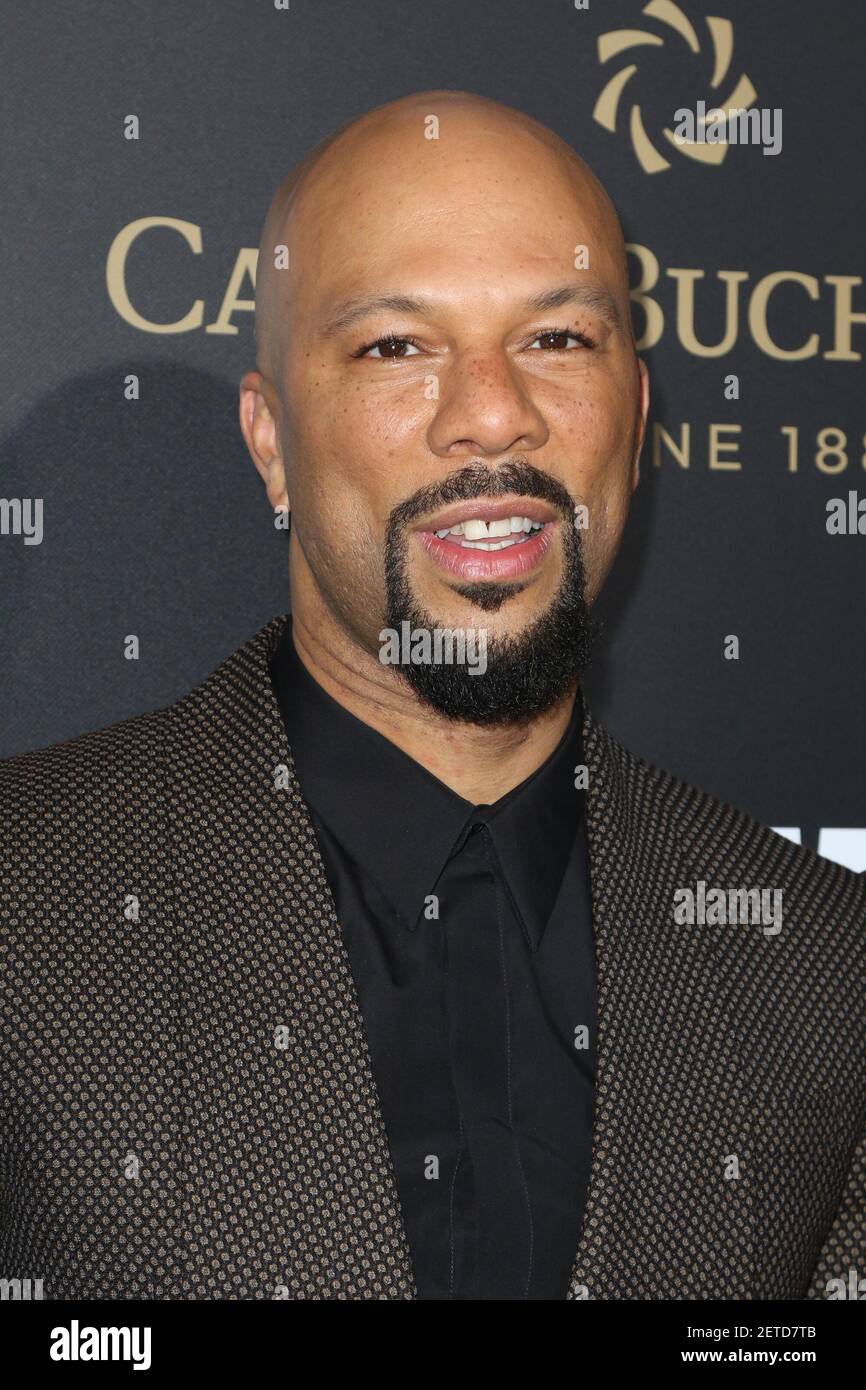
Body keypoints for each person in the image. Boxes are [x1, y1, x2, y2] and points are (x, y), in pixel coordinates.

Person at [1, 90, 863, 1301]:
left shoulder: (821, 966)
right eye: (395, 346)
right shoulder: (25, 900)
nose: (493, 414)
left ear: (636, 411)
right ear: (269, 443)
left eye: (557, 338)